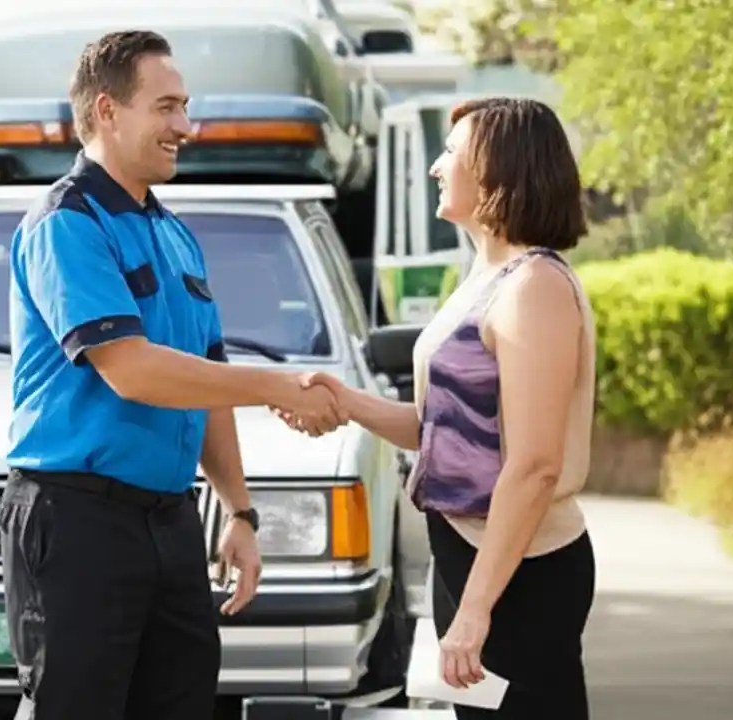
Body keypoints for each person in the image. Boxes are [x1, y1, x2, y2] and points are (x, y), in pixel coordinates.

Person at [3, 30, 344, 720]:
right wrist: (275, 386)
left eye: (185, 107)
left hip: (170, 523)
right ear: (108, 110)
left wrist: (240, 512)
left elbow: (203, 377)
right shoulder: (67, 223)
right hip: (78, 522)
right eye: (166, 107)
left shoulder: (174, 233)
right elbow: (131, 371)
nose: (185, 127)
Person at [279, 96, 597, 717]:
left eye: (451, 152)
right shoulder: (486, 276)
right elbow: (444, 434)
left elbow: (534, 465)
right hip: (474, 559)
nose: (435, 166)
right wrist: (347, 402)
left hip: (521, 571)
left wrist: (477, 609)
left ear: (496, 168)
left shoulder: (535, 287)